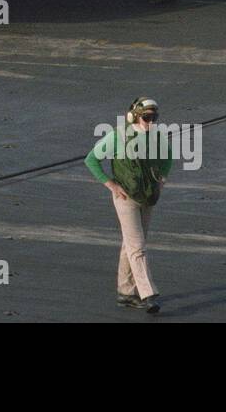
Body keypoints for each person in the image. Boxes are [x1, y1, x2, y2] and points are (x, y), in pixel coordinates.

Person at [85, 97, 171, 314]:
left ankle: (125, 293)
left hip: (148, 197)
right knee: (137, 247)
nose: (150, 122)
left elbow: (167, 157)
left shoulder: (157, 137)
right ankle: (148, 293)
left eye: (155, 118)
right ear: (134, 116)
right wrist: (111, 185)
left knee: (130, 244)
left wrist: (162, 179)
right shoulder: (116, 136)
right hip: (125, 199)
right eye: (147, 118)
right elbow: (91, 159)